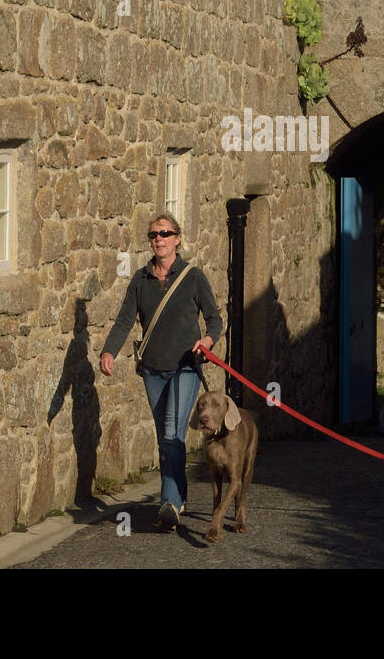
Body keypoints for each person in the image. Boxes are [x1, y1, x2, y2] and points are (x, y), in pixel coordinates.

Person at [99, 212, 223, 531]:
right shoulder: (141, 280)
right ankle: (178, 498)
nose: (159, 239)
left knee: (171, 430)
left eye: (166, 233)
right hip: (153, 368)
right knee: (166, 438)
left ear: (177, 239)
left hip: (185, 366)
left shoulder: (193, 276)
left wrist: (206, 340)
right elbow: (126, 320)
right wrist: (109, 351)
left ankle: (168, 501)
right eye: (154, 235)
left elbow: (214, 319)